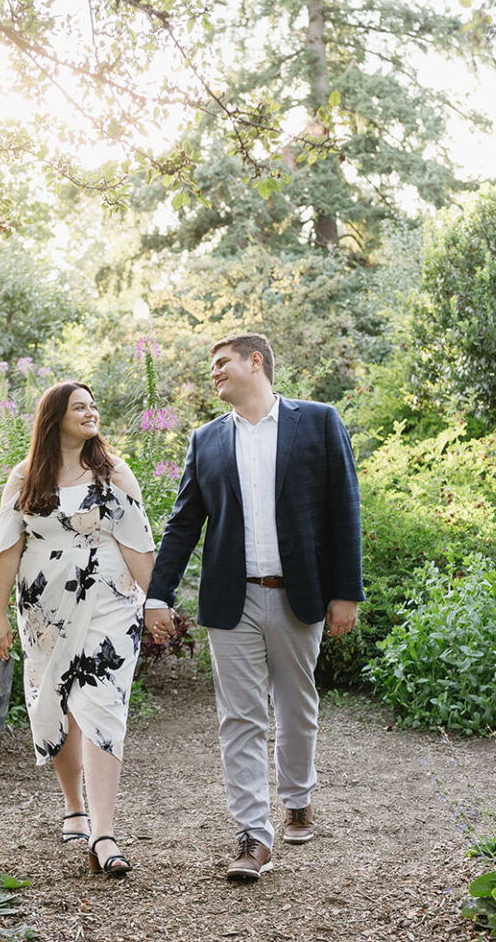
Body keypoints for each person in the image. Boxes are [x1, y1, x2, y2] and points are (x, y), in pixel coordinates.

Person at [144, 332, 363, 881]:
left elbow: (345, 509)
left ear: (255, 362)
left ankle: (298, 797)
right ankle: (253, 837)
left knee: (296, 705)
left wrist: (346, 592)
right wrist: (157, 593)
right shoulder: (207, 440)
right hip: (231, 597)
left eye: (222, 363)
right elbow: (183, 524)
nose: (214, 373)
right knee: (239, 717)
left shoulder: (317, 421)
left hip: (301, 592)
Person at [0, 380, 155, 877]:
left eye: (93, 405)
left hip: (110, 604)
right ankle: (73, 807)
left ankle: (103, 832)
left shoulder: (113, 471)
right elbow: (6, 549)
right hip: (45, 611)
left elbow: (139, 541)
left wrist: (158, 603)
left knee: (103, 706)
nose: (91, 412)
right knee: (55, 704)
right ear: (55, 416)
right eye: (79, 406)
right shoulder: (26, 476)